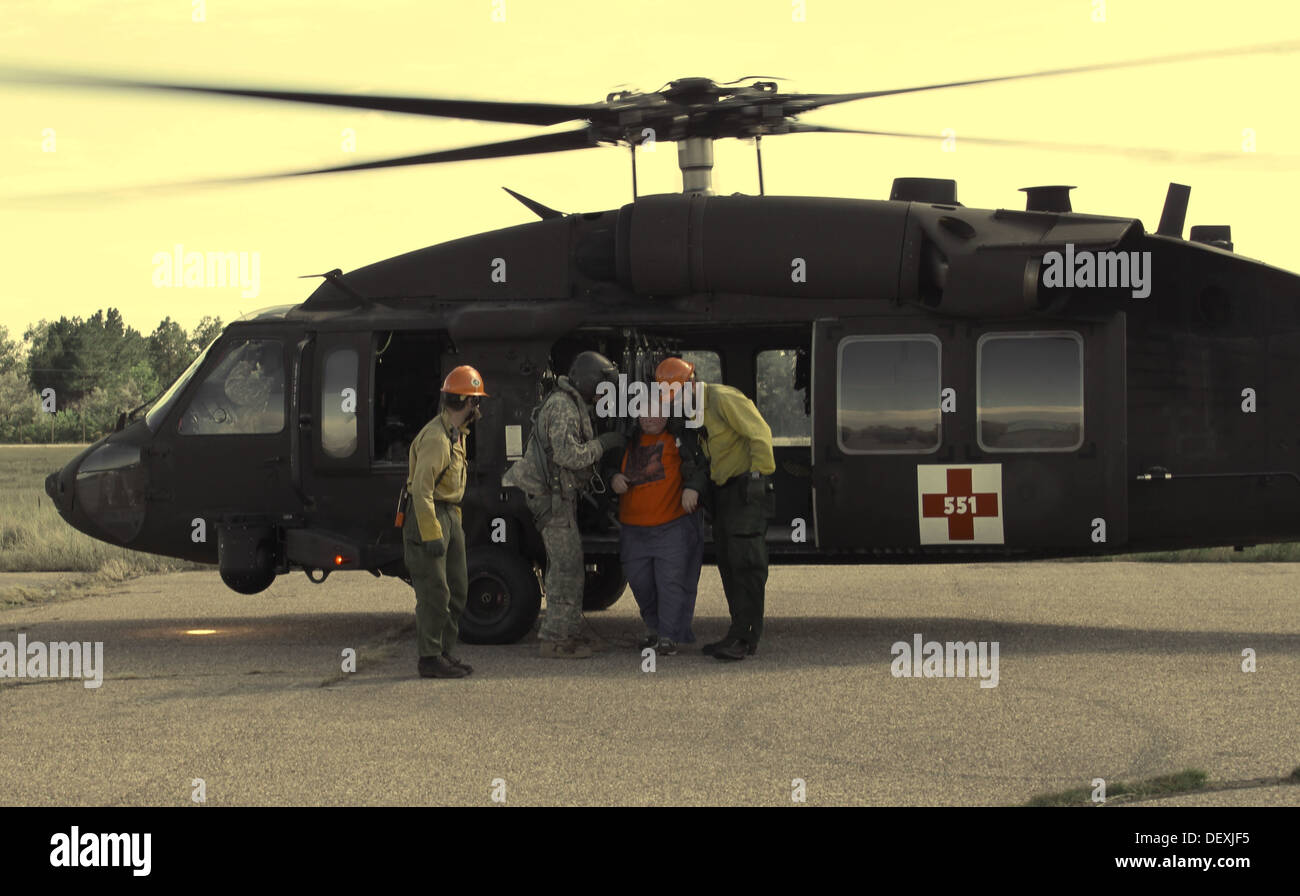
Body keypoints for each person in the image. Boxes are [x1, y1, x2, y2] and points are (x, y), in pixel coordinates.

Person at [503, 351, 626, 658]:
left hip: (559, 495)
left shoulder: (570, 403)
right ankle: (556, 639)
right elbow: (568, 456)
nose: (602, 393)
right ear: (588, 382)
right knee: (565, 569)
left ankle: (568, 633)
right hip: (551, 499)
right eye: (601, 385)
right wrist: (605, 444)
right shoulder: (562, 407)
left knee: (570, 566)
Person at [655, 357, 775, 662]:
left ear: (692, 383)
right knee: (729, 563)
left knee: (746, 564)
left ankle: (747, 637)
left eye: (677, 393)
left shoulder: (722, 398)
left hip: (746, 489)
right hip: (726, 494)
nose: (676, 401)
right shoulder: (695, 412)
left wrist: (758, 477)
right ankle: (737, 633)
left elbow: (760, 434)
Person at [403, 365, 488, 679]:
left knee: (457, 589)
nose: (477, 408)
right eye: (475, 402)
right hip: (431, 515)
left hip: (450, 514)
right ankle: (429, 657)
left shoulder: (455, 435)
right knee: (434, 593)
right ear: (466, 403)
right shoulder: (437, 439)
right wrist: (431, 533)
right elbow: (421, 491)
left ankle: (444, 652)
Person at [610, 410, 708, 655]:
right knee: (640, 583)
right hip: (633, 531)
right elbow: (606, 468)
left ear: (666, 417)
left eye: (656, 414)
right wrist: (613, 478)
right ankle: (654, 628)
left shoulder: (681, 441)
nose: (649, 419)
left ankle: (669, 636)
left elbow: (702, 467)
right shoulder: (626, 442)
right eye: (644, 414)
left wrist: (693, 488)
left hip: (671, 528)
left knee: (671, 584)